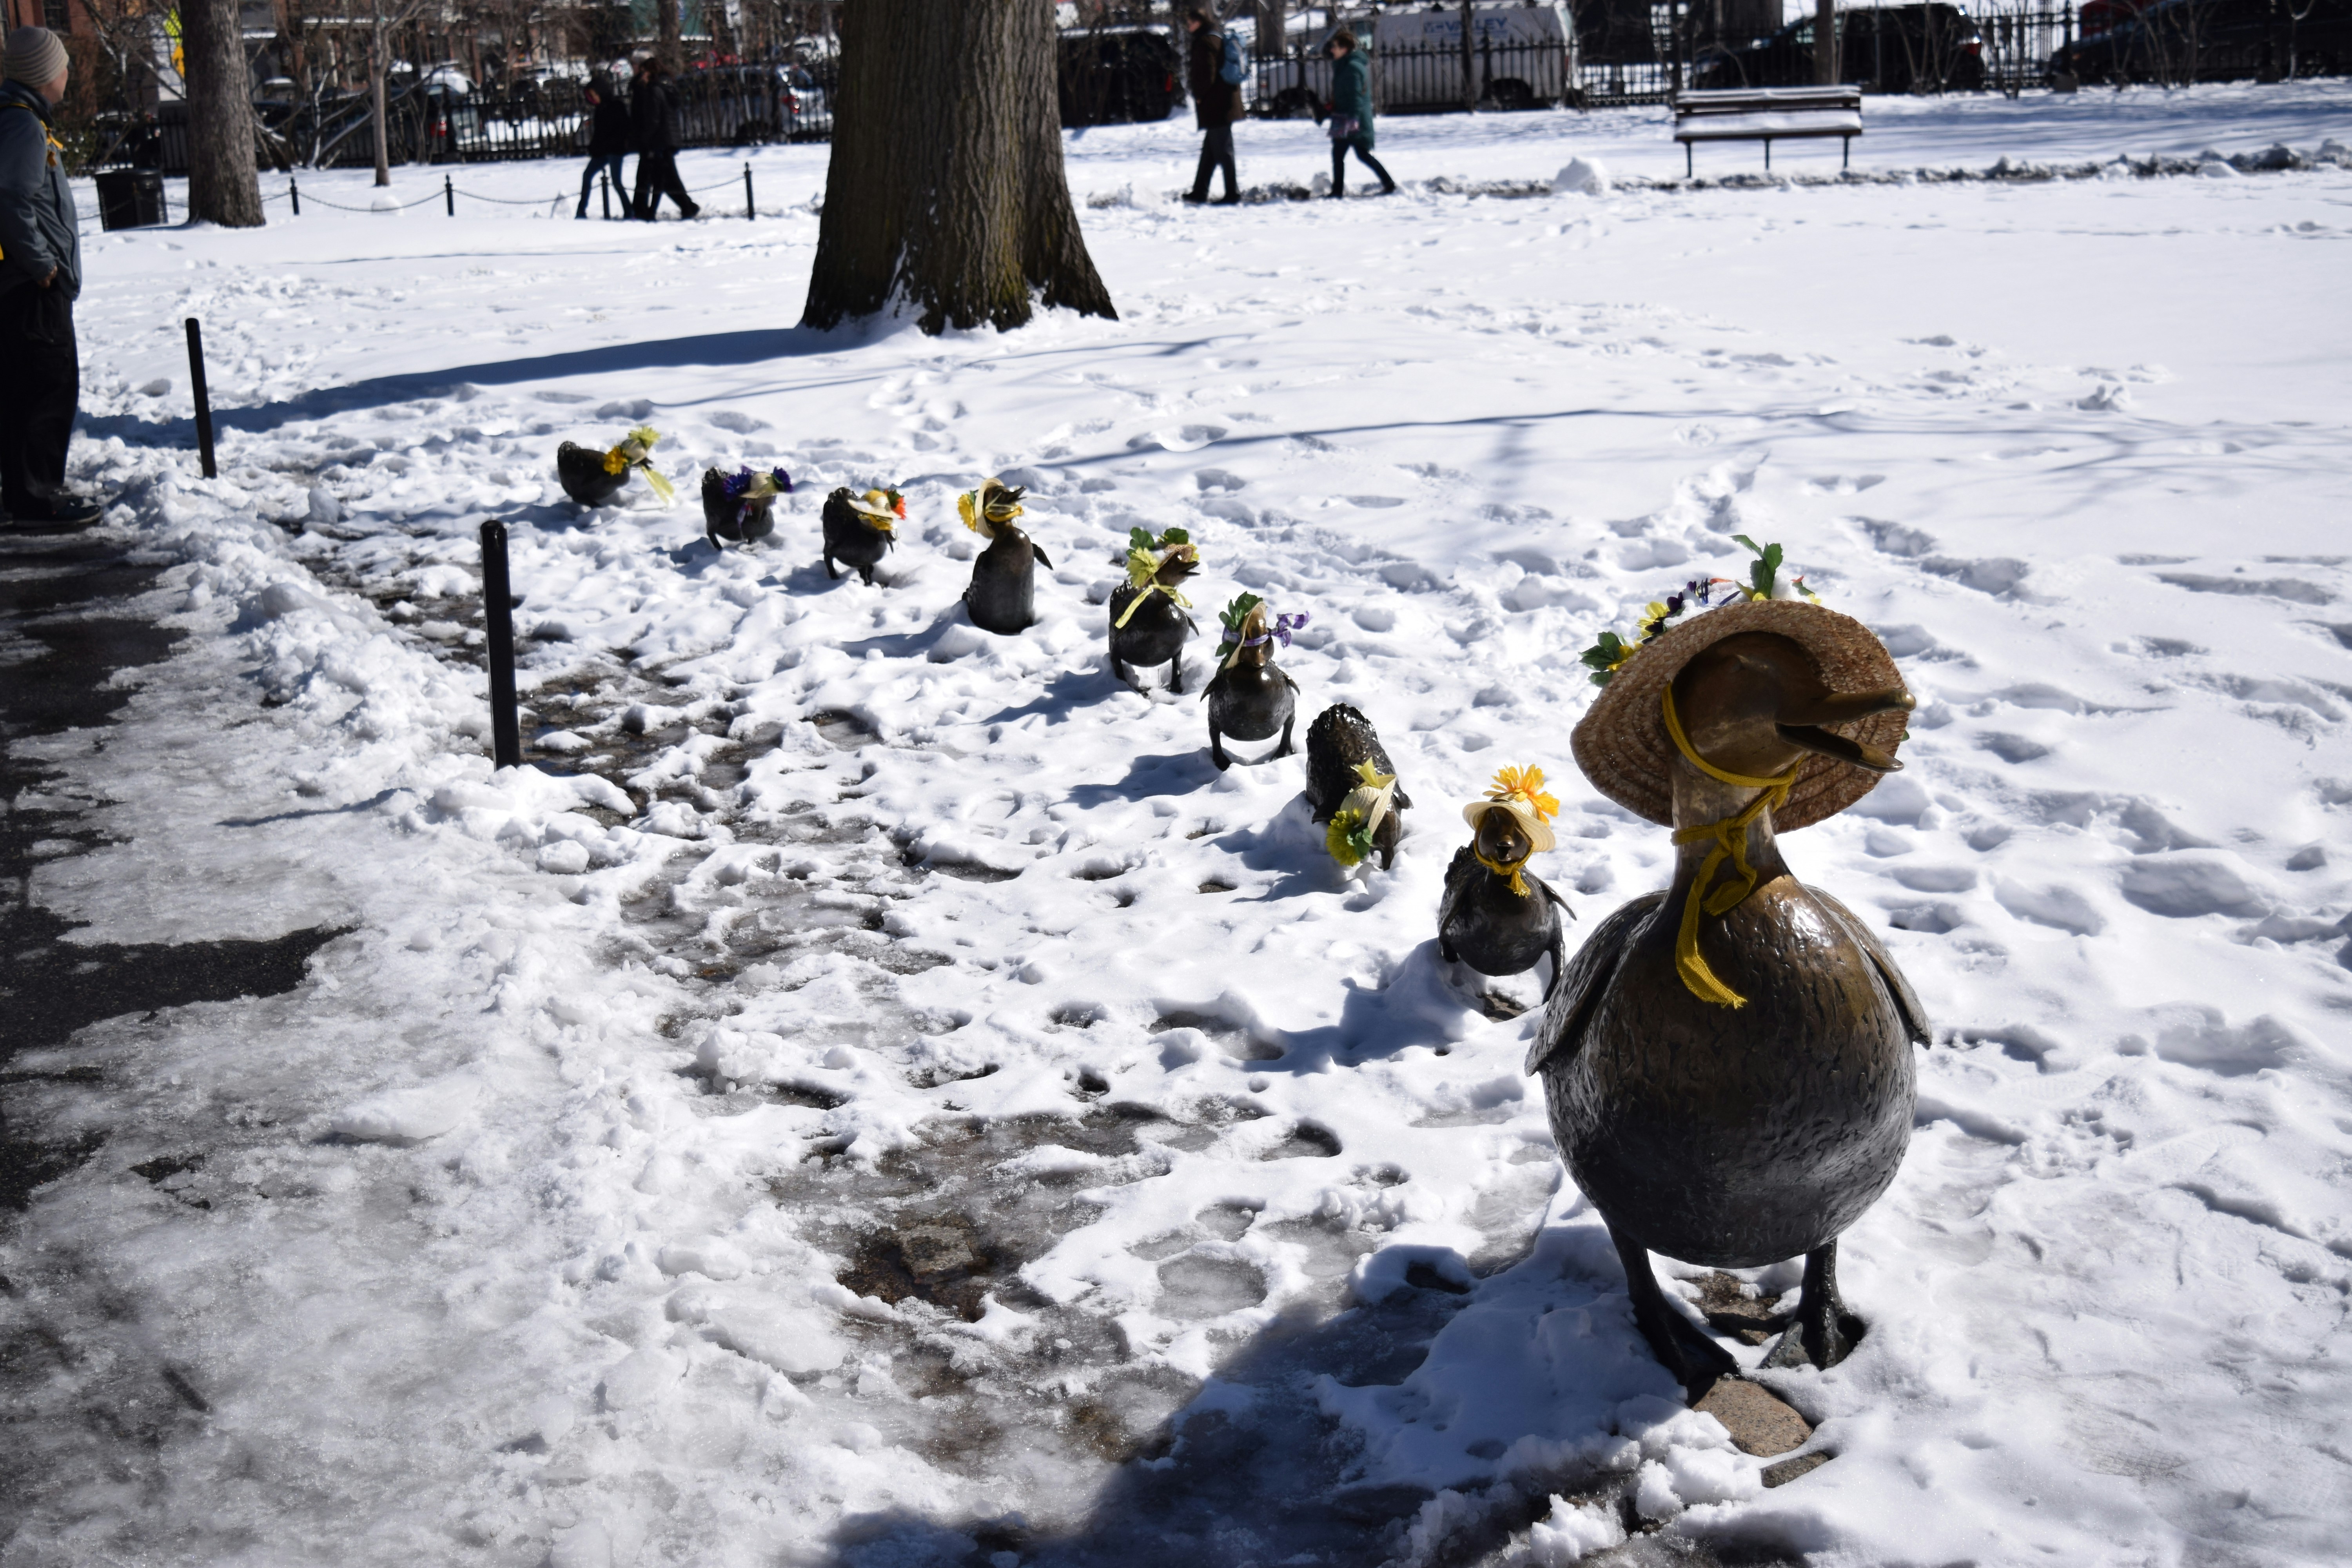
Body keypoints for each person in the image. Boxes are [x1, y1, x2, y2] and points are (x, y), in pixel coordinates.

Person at [0, 27, 98, 528]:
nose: (68, 74)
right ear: (44, 75)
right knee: (47, 386)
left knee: (25, 387)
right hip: (31, 286)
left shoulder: (22, 120)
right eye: (62, 67)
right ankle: (37, 498)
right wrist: (44, 267)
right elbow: (12, 201)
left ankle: (23, 492)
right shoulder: (22, 127)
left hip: (23, 283)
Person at [1323, 29, 1394, 199]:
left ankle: (1388, 184)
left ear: (1345, 49)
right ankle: (1338, 190)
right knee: (1340, 154)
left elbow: (1357, 96)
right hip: (1343, 117)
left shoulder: (1352, 68)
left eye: (1335, 47)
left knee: (1360, 155)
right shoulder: (1342, 67)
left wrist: (1354, 119)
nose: (1332, 50)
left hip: (1353, 120)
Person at [1183, 6, 1243, 206]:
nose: (1188, 26)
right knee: (1209, 152)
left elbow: (1207, 73)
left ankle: (1232, 193)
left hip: (1216, 105)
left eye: (1191, 22)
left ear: (1200, 22)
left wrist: (1199, 95)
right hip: (1224, 102)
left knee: (1224, 151)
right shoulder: (1215, 36)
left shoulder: (1204, 42)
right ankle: (1199, 191)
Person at [628, 59, 698, 221]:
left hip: (659, 140)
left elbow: (654, 119)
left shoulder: (654, 90)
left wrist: (646, 139)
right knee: (666, 178)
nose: (641, 74)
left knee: (663, 179)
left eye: (643, 71)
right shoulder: (664, 86)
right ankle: (686, 207)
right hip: (666, 139)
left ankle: (681, 208)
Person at [576, 72, 632, 220]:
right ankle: (581, 211)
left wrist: (613, 143)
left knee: (617, 182)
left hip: (615, 150)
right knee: (587, 175)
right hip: (603, 151)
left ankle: (629, 211)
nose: (593, 99)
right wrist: (594, 148)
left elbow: (623, 129)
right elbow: (599, 133)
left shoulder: (616, 106)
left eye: (594, 95)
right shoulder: (599, 109)